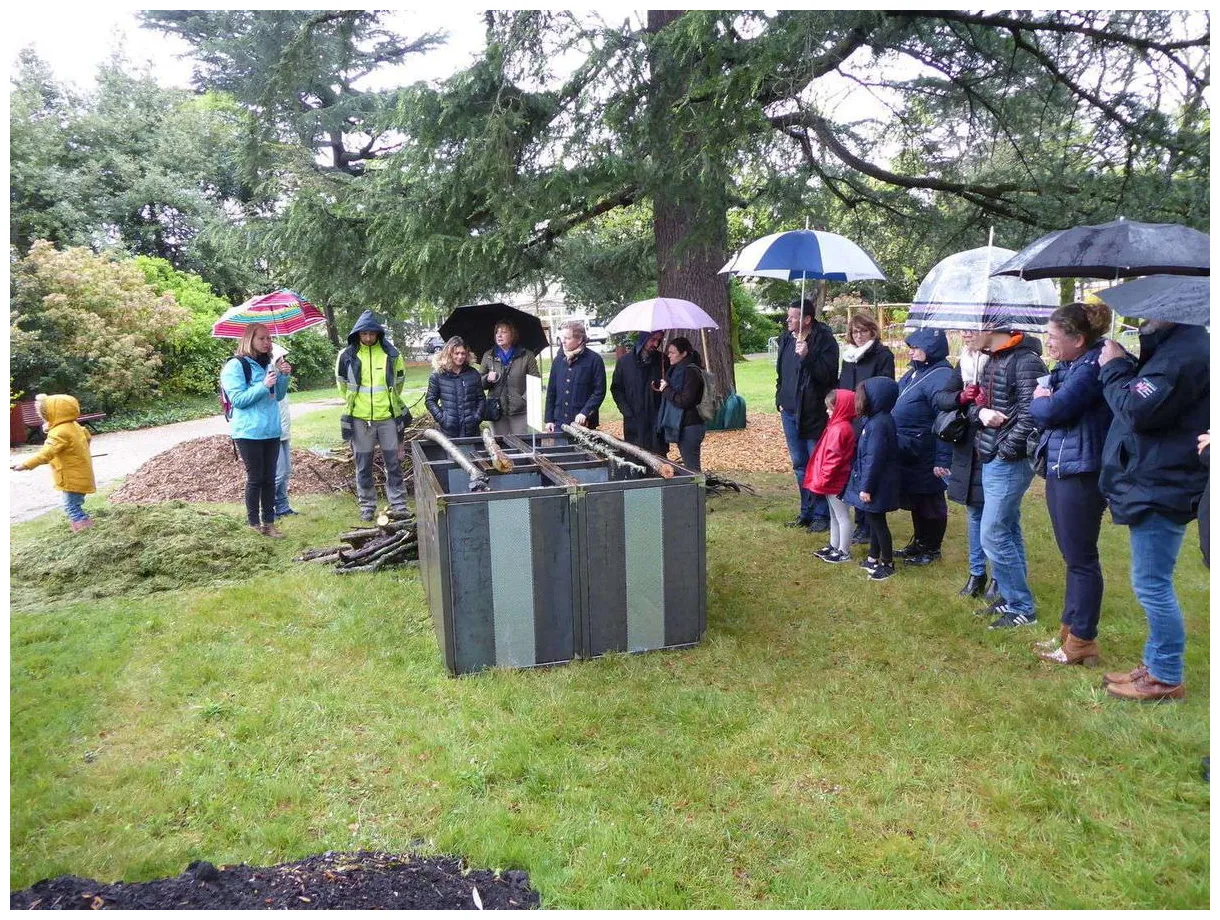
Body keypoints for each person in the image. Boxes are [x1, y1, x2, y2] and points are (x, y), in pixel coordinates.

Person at [1097, 318, 1208, 702]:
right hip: (1156, 478)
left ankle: (1165, 675)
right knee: (1150, 580)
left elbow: (1138, 411)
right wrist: (1128, 362)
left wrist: (1113, 366)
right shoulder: (1173, 347)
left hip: (1163, 483)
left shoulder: (1183, 354)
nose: (1141, 315)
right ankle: (1155, 662)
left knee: (1152, 583)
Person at [1028, 302, 1113, 666]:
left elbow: (1051, 412)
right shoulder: (1074, 365)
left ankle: (1082, 641)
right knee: (1072, 556)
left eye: (1053, 336)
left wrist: (1042, 397)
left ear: (1078, 339)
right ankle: (1069, 630)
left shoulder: (1091, 368)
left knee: (1081, 559)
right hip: (1065, 466)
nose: (1047, 343)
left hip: (1082, 470)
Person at [967, 325, 1047, 628]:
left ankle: (1022, 607)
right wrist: (979, 412)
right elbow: (983, 408)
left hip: (1007, 458)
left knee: (993, 531)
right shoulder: (994, 359)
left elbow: (1033, 413)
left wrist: (1006, 448)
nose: (966, 334)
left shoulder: (1025, 360)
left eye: (973, 328)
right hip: (991, 453)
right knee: (1008, 527)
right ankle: (1011, 598)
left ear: (994, 327)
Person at [336, 310, 410, 521]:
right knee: (363, 464)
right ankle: (367, 505)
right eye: (364, 334)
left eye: (372, 333)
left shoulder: (391, 354)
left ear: (378, 333)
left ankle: (399, 504)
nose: (368, 338)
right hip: (360, 419)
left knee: (394, 463)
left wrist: (387, 403)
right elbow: (342, 384)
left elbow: (399, 382)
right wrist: (357, 406)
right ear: (357, 333)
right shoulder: (347, 355)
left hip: (386, 417)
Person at [891, 328, 955, 567]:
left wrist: (943, 460)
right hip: (911, 447)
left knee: (931, 502)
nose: (912, 351)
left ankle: (932, 547)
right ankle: (918, 542)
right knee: (917, 499)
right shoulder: (914, 372)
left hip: (928, 449)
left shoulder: (941, 376)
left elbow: (945, 420)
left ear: (931, 350)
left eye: (917, 347)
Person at [934, 330, 990, 598]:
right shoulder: (965, 362)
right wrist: (962, 398)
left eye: (972, 330)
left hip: (992, 447)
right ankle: (977, 574)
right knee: (974, 512)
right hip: (967, 447)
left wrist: (984, 402)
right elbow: (942, 397)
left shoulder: (1001, 361)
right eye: (964, 330)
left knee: (1000, 519)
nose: (966, 335)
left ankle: (1002, 578)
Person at [776, 297, 839, 532]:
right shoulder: (785, 340)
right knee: (799, 464)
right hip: (789, 412)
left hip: (813, 413)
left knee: (817, 464)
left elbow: (829, 376)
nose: (788, 320)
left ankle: (823, 514)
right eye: (789, 315)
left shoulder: (825, 341)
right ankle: (807, 511)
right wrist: (779, 399)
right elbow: (781, 374)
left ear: (807, 319)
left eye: (793, 316)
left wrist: (808, 356)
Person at [222, 323, 290, 537]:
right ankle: (253, 524)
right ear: (249, 340)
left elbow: (277, 396)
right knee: (256, 478)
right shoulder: (235, 366)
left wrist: (283, 376)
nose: (266, 342)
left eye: (269, 338)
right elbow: (239, 400)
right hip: (248, 432)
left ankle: (269, 524)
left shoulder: (268, 364)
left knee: (270, 477)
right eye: (261, 338)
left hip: (271, 430)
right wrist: (263, 385)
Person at [838, 310, 896, 545]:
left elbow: (883, 388)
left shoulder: (882, 355)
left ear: (872, 331)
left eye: (863, 331)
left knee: (867, 470)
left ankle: (868, 524)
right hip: (849, 417)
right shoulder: (849, 356)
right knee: (854, 469)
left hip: (869, 418)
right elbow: (842, 384)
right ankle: (860, 519)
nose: (858, 336)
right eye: (854, 331)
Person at [11, 394, 97, 533]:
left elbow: (46, 453)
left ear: (52, 413)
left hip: (71, 477)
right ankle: (83, 525)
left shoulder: (59, 432)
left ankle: (85, 530)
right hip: (81, 474)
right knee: (73, 504)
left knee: (71, 506)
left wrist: (26, 464)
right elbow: (87, 437)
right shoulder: (74, 426)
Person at [845, 377, 900, 581]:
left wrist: (866, 487)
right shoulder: (875, 420)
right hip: (878, 483)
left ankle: (887, 562)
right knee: (874, 519)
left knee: (878, 523)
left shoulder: (878, 425)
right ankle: (873, 557)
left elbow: (874, 459)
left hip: (878, 484)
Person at [805, 389, 857, 564]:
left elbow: (833, 458)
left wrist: (823, 479)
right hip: (830, 481)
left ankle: (844, 551)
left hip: (836, 481)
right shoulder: (835, 426)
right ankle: (834, 546)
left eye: (830, 408)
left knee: (842, 516)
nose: (827, 412)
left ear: (841, 408)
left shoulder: (840, 429)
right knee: (834, 515)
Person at [479, 320, 539, 436]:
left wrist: (523, 399)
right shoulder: (488, 355)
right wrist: (487, 379)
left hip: (520, 411)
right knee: (501, 446)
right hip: (497, 410)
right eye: (497, 332)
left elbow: (535, 380)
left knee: (522, 444)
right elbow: (479, 383)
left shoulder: (527, 355)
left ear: (513, 335)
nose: (499, 335)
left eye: (504, 332)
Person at [654, 336, 705, 471]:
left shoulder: (690, 372)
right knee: (690, 466)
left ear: (684, 353)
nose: (668, 355)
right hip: (683, 425)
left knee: (692, 468)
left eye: (673, 353)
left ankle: (697, 491)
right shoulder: (676, 370)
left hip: (691, 425)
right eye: (668, 352)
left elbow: (685, 401)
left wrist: (666, 389)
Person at [545, 319, 606, 432]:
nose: (563, 341)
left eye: (567, 338)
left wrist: (585, 412)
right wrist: (549, 419)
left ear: (580, 339)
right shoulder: (558, 360)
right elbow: (551, 391)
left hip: (584, 424)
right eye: (562, 337)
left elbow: (599, 392)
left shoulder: (594, 360)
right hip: (560, 422)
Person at [610, 330, 664, 452]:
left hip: (656, 421)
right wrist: (627, 411)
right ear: (644, 339)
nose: (656, 344)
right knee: (635, 458)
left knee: (659, 460)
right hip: (634, 422)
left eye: (659, 341)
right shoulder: (624, 362)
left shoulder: (662, 361)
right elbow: (617, 389)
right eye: (653, 340)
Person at [426, 336, 486, 439]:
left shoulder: (473, 374)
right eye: (456, 353)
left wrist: (477, 417)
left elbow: (481, 399)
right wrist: (443, 419)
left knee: (472, 455)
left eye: (463, 353)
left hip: (472, 430)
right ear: (449, 354)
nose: (460, 357)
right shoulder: (438, 375)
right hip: (449, 432)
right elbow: (430, 400)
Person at [270, 343, 297, 520]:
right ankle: (267, 509)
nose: (284, 362)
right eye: (279, 360)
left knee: (286, 471)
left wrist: (284, 375)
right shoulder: (267, 377)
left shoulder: (281, 377)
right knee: (277, 473)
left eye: (284, 359)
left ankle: (283, 506)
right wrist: (279, 375)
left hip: (283, 430)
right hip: (272, 431)